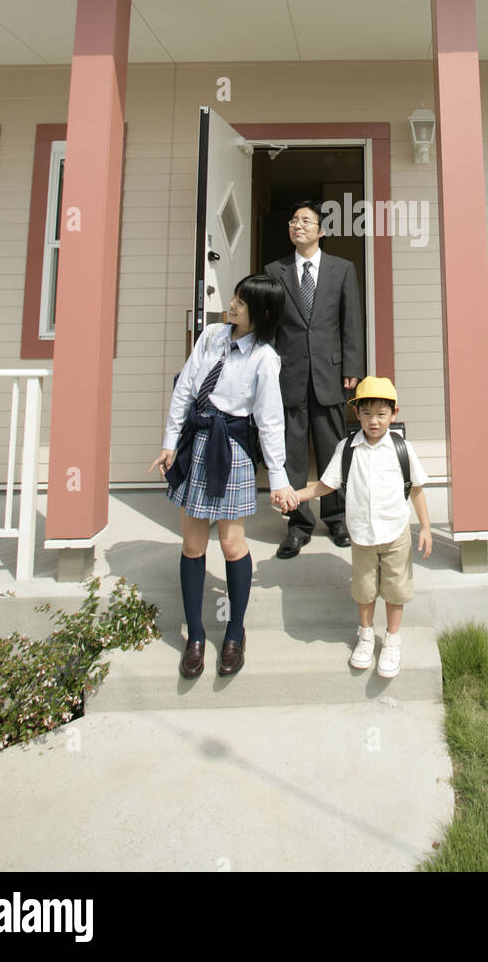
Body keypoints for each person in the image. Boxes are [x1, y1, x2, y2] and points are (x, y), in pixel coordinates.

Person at [149, 274, 296, 679]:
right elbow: (185, 388)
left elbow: (270, 421)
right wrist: (169, 440)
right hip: (197, 441)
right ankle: (195, 635)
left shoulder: (265, 357)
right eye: (234, 297)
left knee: (232, 544)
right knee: (193, 543)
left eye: (242, 302)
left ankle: (234, 632)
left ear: (261, 312)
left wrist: (279, 478)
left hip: (231, 449)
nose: (232, 305)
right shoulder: (212, 335)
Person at [289, 376, 432, 678]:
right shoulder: (347, 448)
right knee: (364, 590)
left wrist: (427, 528)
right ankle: (366, 636)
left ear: (394, 414)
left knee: (395, 589)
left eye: (381, 414)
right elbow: (324, 487)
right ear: (356, 414)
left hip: (396, 533)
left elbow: (416, 489)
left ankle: (392, 640)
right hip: (363, 536)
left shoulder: (401, 448)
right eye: (366, 413)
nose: (374, 421)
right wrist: (295, 495)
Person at [264, 199, 365, 558]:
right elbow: (270, 326)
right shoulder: (274, 270)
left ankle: (337, 517)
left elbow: (351, 321)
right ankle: (298, 524)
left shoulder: (342, 269)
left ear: (321, 230)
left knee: (332, 448)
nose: (298, 226)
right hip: (287, 372)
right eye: (293, 221)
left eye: (305, 221)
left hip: (330, 373)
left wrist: (351, 367)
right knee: (292, 452)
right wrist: (266, 371)